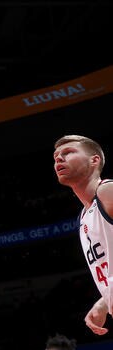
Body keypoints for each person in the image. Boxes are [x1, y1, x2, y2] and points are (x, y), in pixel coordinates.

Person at [52, 135, 112, 335]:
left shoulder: (107, 191)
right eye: (56, 156)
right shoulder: (84, 217)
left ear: (94, 160)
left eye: (68, 152)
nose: (59, 158)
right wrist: (104, 302)